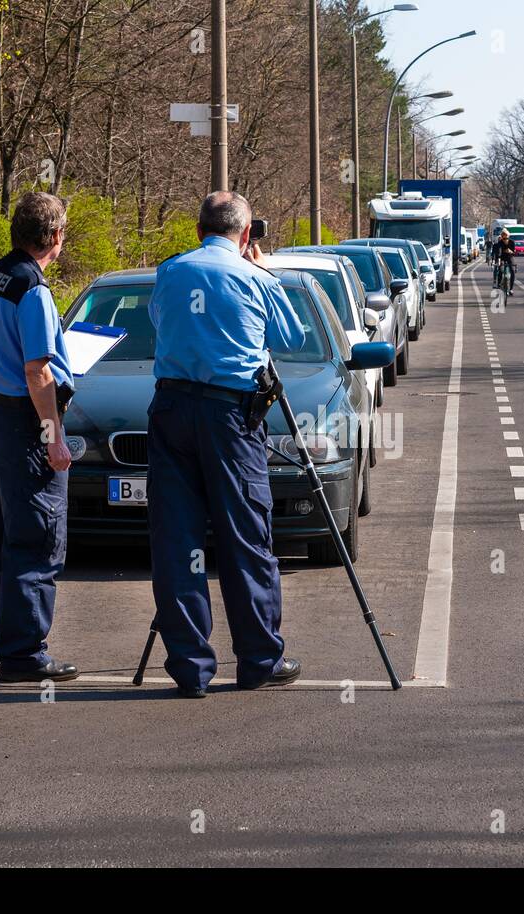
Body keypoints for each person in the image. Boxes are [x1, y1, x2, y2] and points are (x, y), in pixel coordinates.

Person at [146, 191, 306, 698]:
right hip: (229, 416)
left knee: (176, 539)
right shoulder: (257, 278)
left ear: (197, 231)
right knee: (245, 535)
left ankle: (190, 666)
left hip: (171, 408)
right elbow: (293, 337)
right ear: (245, 234)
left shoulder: (171, 271)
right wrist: (262, 274)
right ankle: (259, 658)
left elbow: (158, 322)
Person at [0, 192, 79, 683]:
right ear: (53, 237)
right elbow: (38, 372)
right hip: (27, 423)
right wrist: (53, 436)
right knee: (35, 537)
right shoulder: (34, 290)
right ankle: (25, 654)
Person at [494, 229, 516, 296]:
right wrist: (498, 260)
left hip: (510, 257)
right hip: (502, 258)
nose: (505, 238)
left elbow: (514, 252)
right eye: (503, 236)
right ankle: (498, 284)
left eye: (506, 236)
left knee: (512, 271)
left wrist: (510, 251)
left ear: (508, 236)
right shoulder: (500, 243)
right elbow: (498, 252)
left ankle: (511, 289)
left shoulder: (512, 242)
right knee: (500, 270)